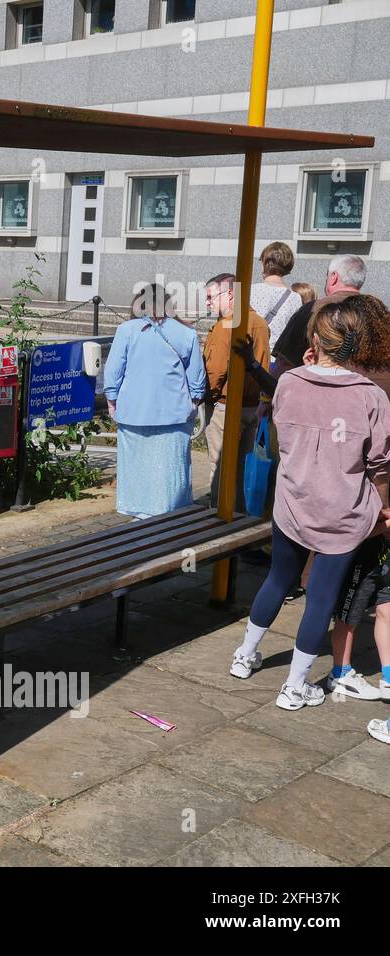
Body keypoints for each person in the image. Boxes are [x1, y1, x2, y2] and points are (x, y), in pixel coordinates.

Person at [229, 299, 390, 710]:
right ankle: (295, 685)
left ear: (315, 340)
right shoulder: (371, 397)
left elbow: (283, 429)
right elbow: (380, 465)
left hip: (293, 501)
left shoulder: (289, 382)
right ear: (360, 345)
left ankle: (244, 656)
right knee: (320, 596)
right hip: (342, 511)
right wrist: (384, 507)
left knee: (277, 579)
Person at [323, 295, 390, 703]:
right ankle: (386, 674)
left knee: (352, 593)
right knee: (386, 598)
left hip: (363, 503)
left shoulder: (352, 378)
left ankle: (342, 668)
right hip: (374, 497)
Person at [103, 283, 206, 519]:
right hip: (175, 414)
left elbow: (113, 372)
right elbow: (197, 379)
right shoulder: (187, 333)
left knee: (137, 471)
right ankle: (169, 518)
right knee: (171, 472)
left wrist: (112, 400)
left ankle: (140, 518)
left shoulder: (126, 330)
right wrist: (193, 403)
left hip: (133, 412)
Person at [202, 273, 272, 511]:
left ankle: (217, 524)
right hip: (253, 407)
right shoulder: (260, 322)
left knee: (219, 472)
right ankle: (238, 521)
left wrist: (207, 398)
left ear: (230, 295)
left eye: (211, 297)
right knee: (241, 471)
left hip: (226, 407)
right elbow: (264, 364)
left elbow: (215, 371)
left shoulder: (226, 325)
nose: (208, 302)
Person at [271, 254, 366, 374]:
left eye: (327, 276)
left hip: (318, 387)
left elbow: (284, 364)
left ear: (333, 277)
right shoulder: (377, 311)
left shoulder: (313, 309)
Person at [250, 241, 303, 350]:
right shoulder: (295, 298)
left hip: (249, 355)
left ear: (265, 263)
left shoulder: (248, 290)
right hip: (276, 358)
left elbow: (234, 325)